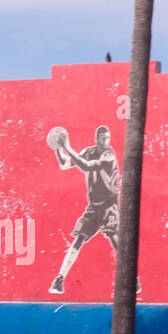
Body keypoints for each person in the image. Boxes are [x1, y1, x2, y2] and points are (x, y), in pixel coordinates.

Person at [47, 125, 121, 295]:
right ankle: (60, 279)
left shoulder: (109, 155)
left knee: (114, 238)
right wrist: (57, 148)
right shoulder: (88, 151)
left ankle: (133, 279)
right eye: (103, 138)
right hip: (94, 206)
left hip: (109, 204)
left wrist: (66, 146)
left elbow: (87, 166)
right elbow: (65, 164)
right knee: (79, 239)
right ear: (96, 139)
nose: (106, 142)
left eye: (108, 138)